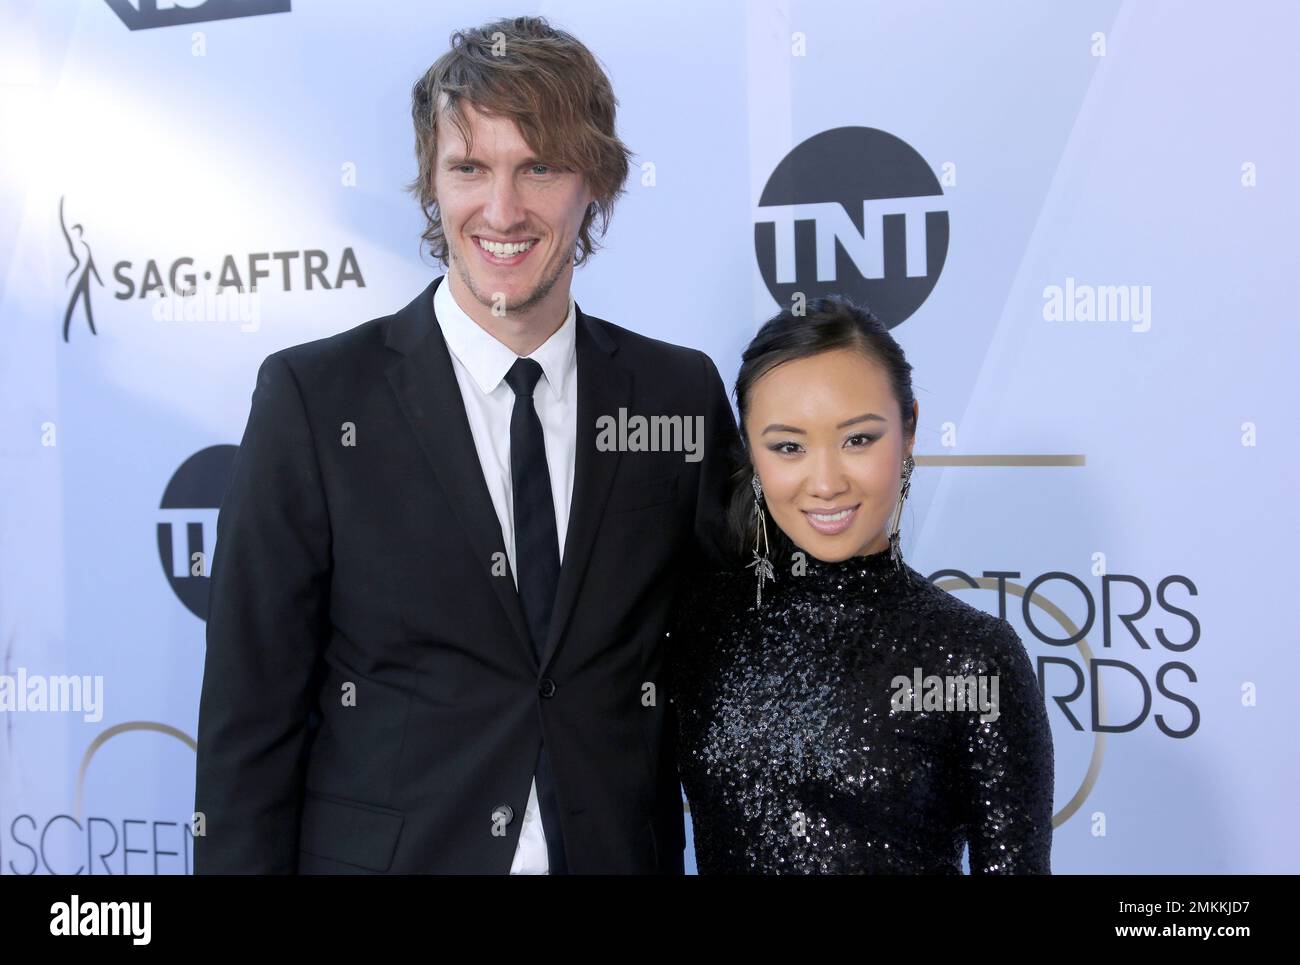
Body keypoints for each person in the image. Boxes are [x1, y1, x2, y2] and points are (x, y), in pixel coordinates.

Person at [193, 16, 737, 874]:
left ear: (594, 181)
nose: (503, 210)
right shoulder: (315, 399)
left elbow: (731, 672)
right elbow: (246, 724)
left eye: (540, 168)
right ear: (431, 185)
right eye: (470, 168)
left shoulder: (677, 397)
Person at [668, 295, 1055, 873]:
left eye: (858, 440)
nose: (825, 483)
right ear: (750, 448)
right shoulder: (700, 623)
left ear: (910, 429)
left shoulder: (972, 658)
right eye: (788, 447)